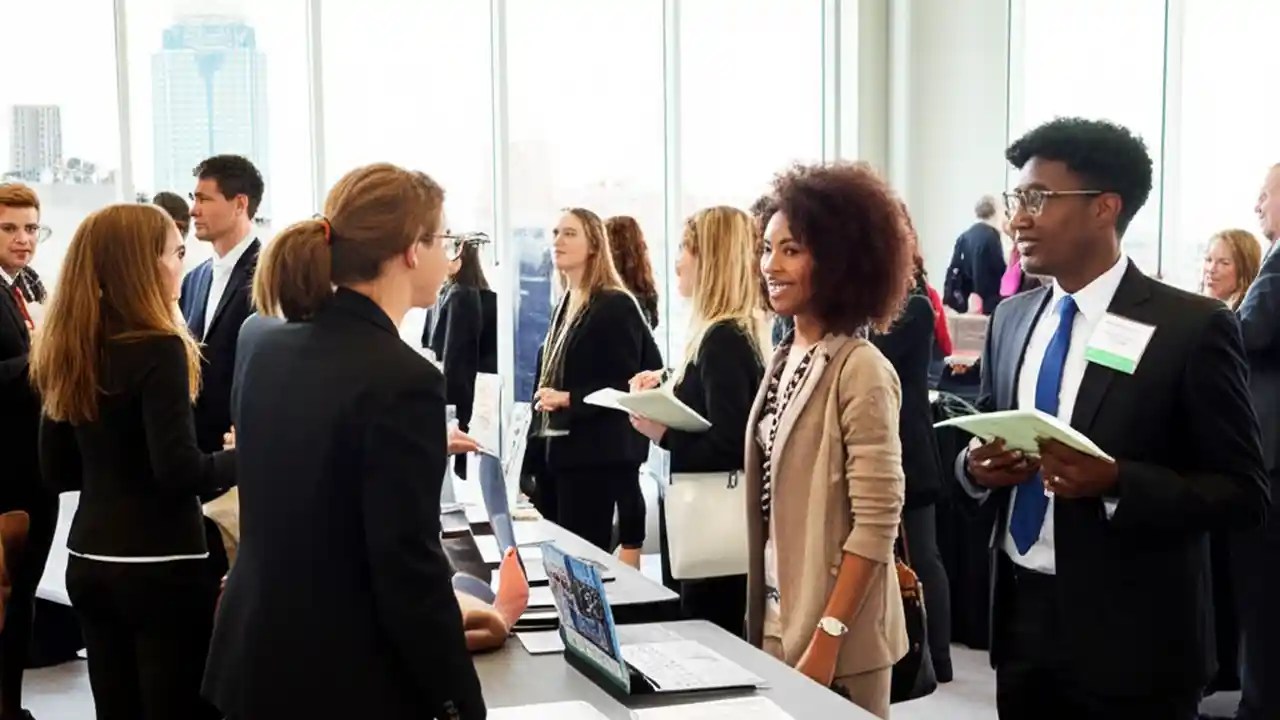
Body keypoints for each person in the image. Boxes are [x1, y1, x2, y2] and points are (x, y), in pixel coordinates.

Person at [959, 118, 1267, 720]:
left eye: (1038, 199)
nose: (1018, 217)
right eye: (1017, 198)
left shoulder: (1189, 328)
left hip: (1137, 643)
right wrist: (974, 467)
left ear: (1105, 208)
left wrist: (1117, 482)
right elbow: (986, 437)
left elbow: (1242, 493)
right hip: (1023, 626)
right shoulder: (1014, 319)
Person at [203, 164, 484, 720]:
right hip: (343, 674)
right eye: (444, 240)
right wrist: (458, 701)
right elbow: (406, 568)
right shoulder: (404, 378)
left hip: (253, 655)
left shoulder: (262, 340)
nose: (449, 256)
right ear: (410, 249)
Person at [31, 204, 235, 720]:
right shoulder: (161, 347)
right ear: (143, 265)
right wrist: (244, 459)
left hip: (91, 561)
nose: (181, 267)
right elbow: (180, 473)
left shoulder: (68, 344)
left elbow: (56, 469)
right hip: (162, 563)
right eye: (175, 253)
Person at [747, 162, 911, 718]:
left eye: (791, 250)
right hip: (776, 615)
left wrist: (829, 637)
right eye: (767, 248)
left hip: (837, 636)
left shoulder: (860, 368)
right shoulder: (784, 355)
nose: (771, 264)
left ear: (839, 259)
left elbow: (877, 521)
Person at [629, 206, 766, 637]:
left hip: (712, 525)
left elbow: (731, 443)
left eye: (687, 247)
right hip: (703, 521)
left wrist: (663, 433)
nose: (677, 260)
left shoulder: (723, 339)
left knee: (709, 640)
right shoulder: (725, 334)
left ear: (712, 260)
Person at [524, 208, 661, 552]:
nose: (558, 241)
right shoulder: (567, 303)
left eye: (570, 233)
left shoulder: (614, 305)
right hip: (560, 456)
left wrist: (568, 398)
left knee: (585, 562)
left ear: (594, 246)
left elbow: (627, 384)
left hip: (594, 459)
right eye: (555, 232)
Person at [872, 205, 953, 683]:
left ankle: (937, 655)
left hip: (908, 445)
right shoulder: (875, 304)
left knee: (922, 553)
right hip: (885, 443)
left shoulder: (915, 304)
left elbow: (872, 360)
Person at [0, 183, 58, 720]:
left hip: (36, 467)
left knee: (23, 605)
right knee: (7, 605)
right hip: (6, 475)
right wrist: (41, 355)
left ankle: (13, 706)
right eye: (10, 228)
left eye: (31, 228)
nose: (24, 240)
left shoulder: (27, 285)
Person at [1226, 162, 1280, 720]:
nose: (1257, 206)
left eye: (1264, 195)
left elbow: (1247, 333)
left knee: (1263, 601)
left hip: (1272, 468)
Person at [179, 155, 264, 456]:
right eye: (193, 198)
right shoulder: (193, 279)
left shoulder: (271, 275)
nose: (193, 210)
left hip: (247, 449)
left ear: (240, 204)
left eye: (204, 199)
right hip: (196, 453)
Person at [604, 215, 660, 567]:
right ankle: (631, 554)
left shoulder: (620, 302)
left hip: (621, 404)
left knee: (623, 485)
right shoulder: (645, 293)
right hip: (634, 403)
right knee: (628, 485)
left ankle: (629, 556)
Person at [424, 241, 498, 478]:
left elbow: (456, 360)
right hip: (473, 395)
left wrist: (452, 414)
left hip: (464, 398)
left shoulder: (460, 296)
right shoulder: (452, 295)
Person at [943, 194, 1007, 314]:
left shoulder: (964, 237)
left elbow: (954, 269)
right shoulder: (992, 237)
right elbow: (997, 271)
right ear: (996, 212)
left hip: (965, 304)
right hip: (987, 306)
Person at [1200, 228, 1262, 310]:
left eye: (1224, 263)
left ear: (1245, 270)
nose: (1211, 269)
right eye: (1208, 260)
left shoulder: (1249, 316)